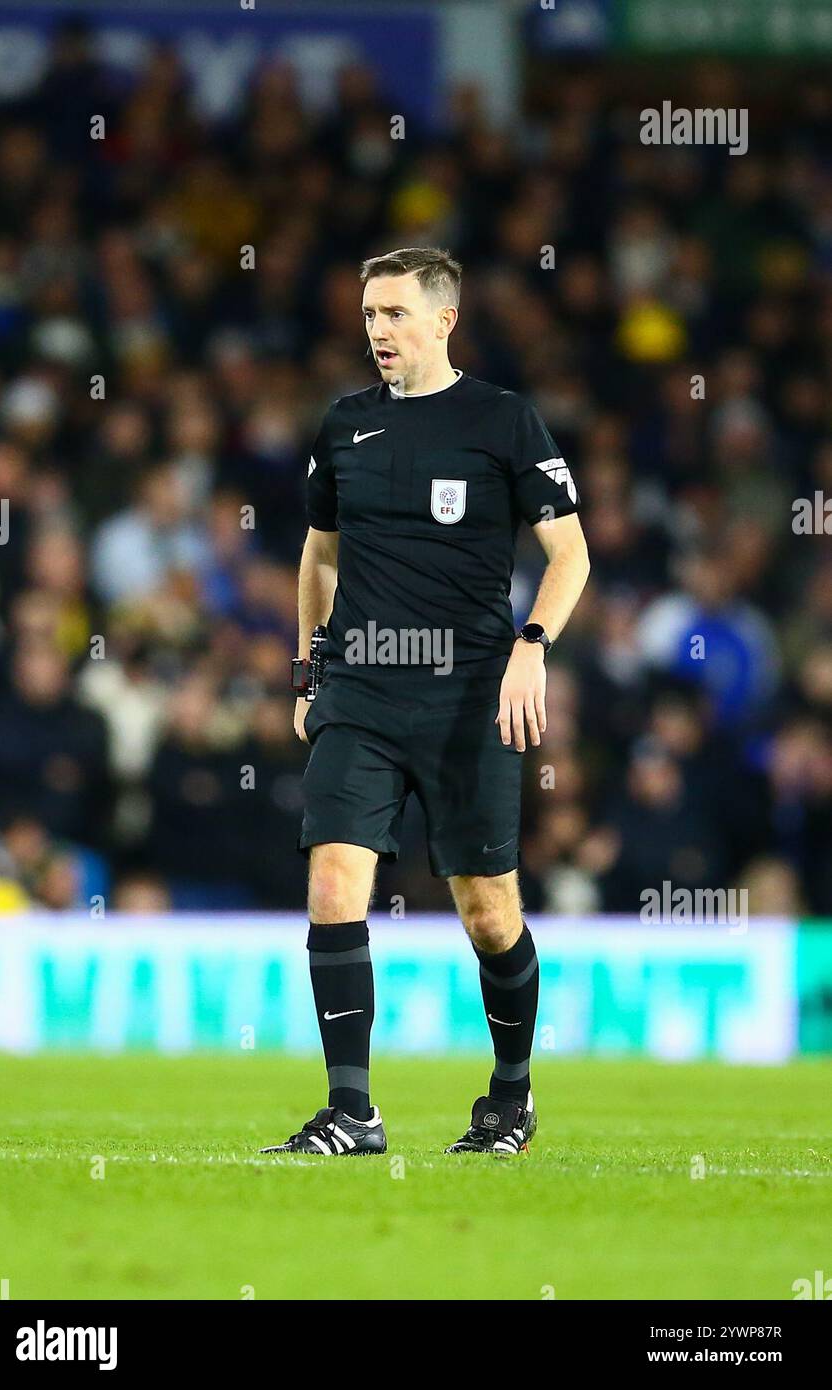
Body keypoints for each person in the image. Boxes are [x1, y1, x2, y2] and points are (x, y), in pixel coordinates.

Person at [261, 247, 590, 1158]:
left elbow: (571, 555)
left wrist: (532, 646)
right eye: (369, 314)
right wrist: (307, 668)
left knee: (488, 910)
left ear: (445, 319)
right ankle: (351, 1110)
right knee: (333, 879)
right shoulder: (344, 425)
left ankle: (510, 1100)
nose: (377, 331)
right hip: (361, 687)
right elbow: (320, 555)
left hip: (469, 697)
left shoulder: (503, 421)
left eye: (396, 314)